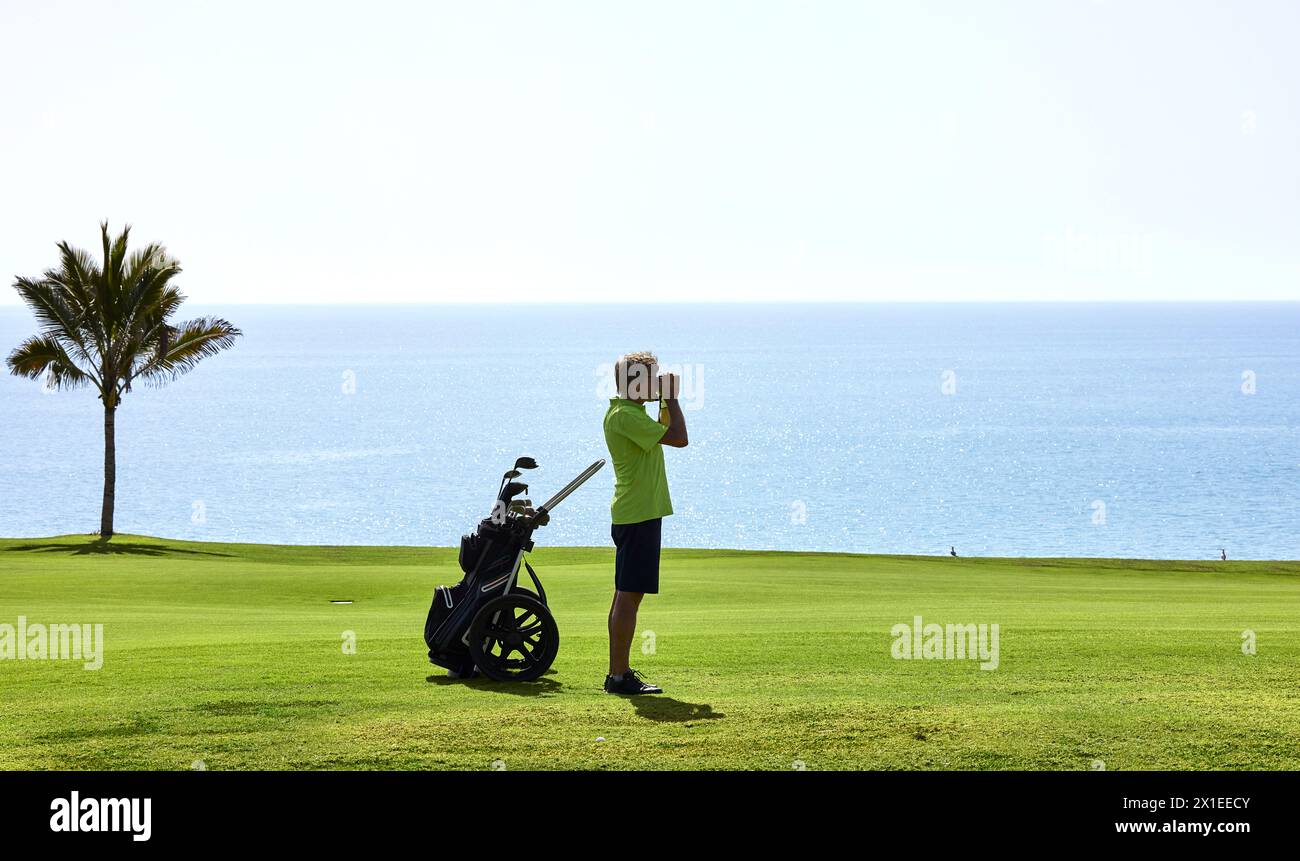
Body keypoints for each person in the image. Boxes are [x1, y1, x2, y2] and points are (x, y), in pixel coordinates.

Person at [601, 351, 688, 695]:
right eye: (651, 378)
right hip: (638, 515)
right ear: (636, 383)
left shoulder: (629, 413)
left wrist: (664, 400)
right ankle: (619, 676)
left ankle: (617, 674)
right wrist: (672, 398)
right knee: (628, 596)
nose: (656, 384)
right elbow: (679, 437)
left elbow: (665, 429)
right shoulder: (626, 416)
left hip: (639, 513)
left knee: (627, 595)